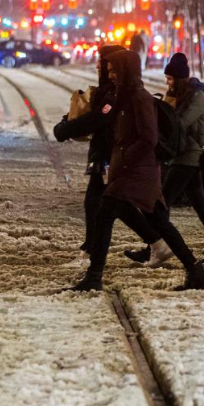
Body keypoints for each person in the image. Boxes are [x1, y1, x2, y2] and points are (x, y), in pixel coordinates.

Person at [64, 50, 204, 292]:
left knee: (105, 213)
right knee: (159, 221)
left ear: (126, 71)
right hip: (130, 168)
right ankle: (196, 271)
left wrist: (127, 158)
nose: (110, 75)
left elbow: (149, 137)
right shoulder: (123, 96)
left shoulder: (139, 98)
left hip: (138, 171)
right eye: (108, 70)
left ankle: (94, 276)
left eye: (114, 70)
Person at [124, 53, 204, 266]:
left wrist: (164, 110)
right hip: (181, 156)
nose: (167, 82)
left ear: (181, 79)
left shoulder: (196, 96)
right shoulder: (177, 95)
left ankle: (155, 248)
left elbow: (180, 123)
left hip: (190, 156)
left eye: (171, 78)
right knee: (200, 207)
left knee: (160, 204)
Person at [53, 44, 131, 257]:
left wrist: (66, 129)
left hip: (110, 154)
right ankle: (92, 245)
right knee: (98, 202)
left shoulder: (113, 91)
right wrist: (67, 122)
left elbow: (99, 118)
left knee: (113, 206)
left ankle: (156, 240)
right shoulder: (106, 88)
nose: (98, 65)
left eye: (102, 61)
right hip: (103, 153)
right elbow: (94, 114)